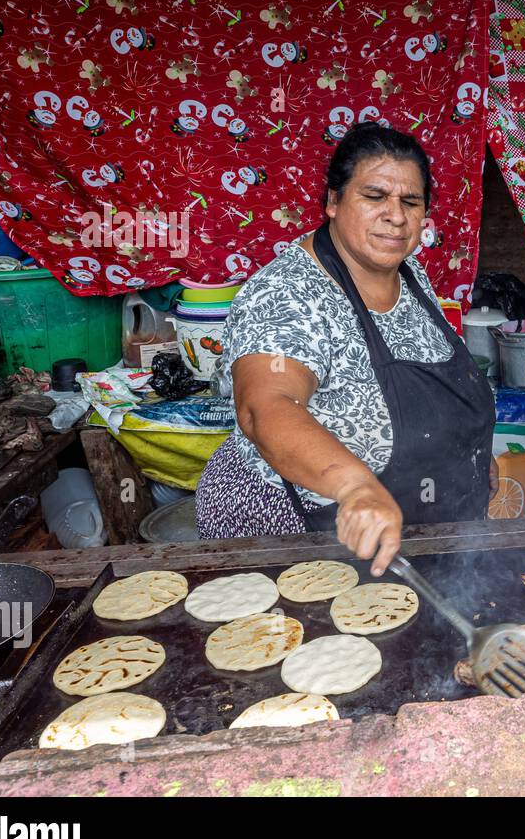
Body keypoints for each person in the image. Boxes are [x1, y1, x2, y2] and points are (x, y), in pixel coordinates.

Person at [196, 122, 495, 573]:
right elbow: (266, 405)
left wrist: (469, 458)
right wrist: (356, 487)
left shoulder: (411, 277)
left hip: (399, 531)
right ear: (333, 201)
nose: (396, 215)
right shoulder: (287, 292)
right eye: (374, 196)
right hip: (294, 531)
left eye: (410, 202)